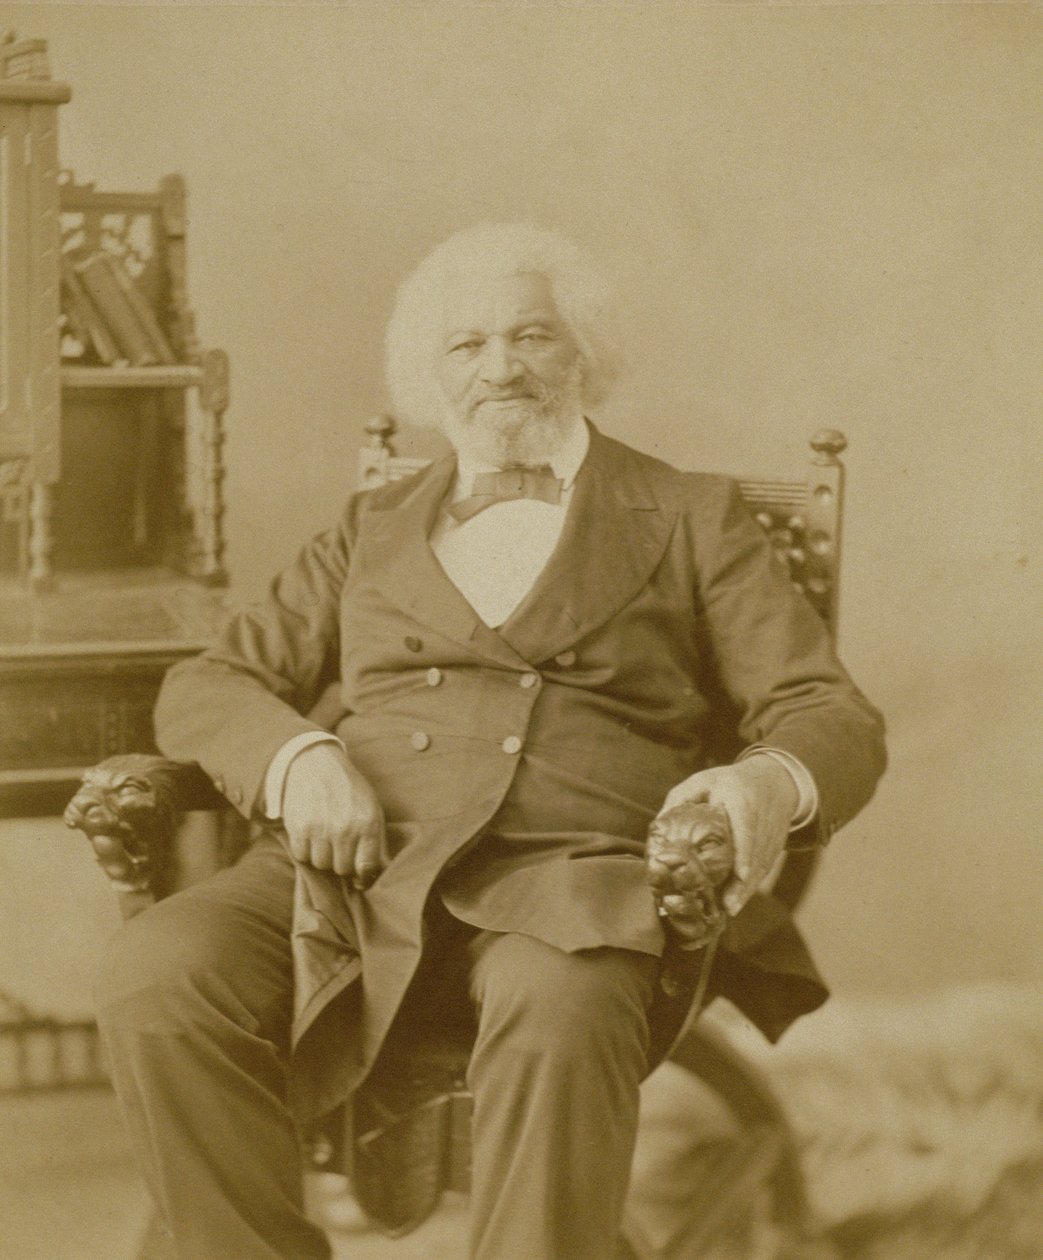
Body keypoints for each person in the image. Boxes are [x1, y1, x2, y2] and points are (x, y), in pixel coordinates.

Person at [96, 223, 886, 1260]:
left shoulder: (691, 516)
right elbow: (213, 682)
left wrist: (757, 787)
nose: (501, 368)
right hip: (345, 876)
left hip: (574, 880)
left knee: (559, 1014)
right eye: (465, 346)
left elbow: (827, 711)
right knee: (158, 979)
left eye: (531, 337)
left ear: (582, 357)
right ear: (431, 376)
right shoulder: (369, 524)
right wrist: (301, 760)